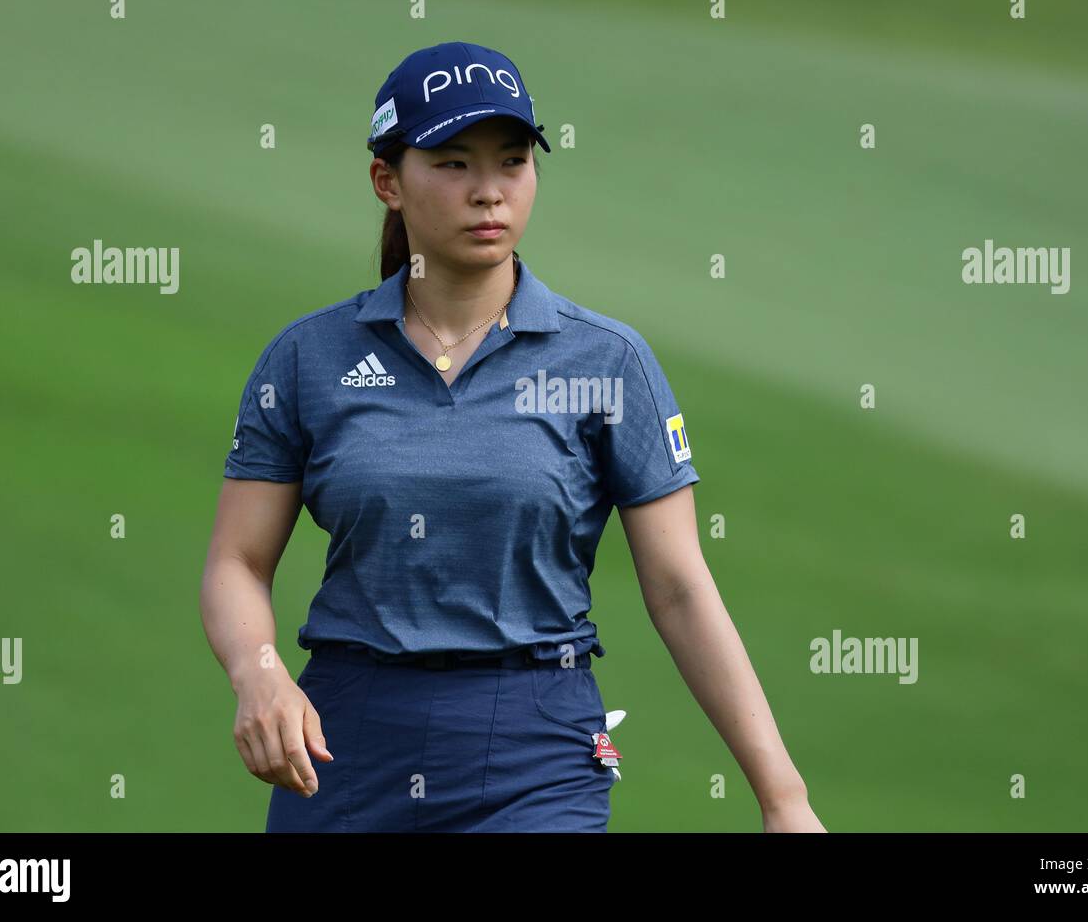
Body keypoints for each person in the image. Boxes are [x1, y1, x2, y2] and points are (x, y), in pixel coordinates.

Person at [200, 41, 825, 832]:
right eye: (453, 163)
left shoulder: (606, 361)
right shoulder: (308, 358)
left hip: (537, 751)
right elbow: (237, 562)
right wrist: (258, 676)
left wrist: (783, 797)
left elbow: (679, 587)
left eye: (513, 161)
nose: (489, 192)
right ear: (386, 182)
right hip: (344, 747)